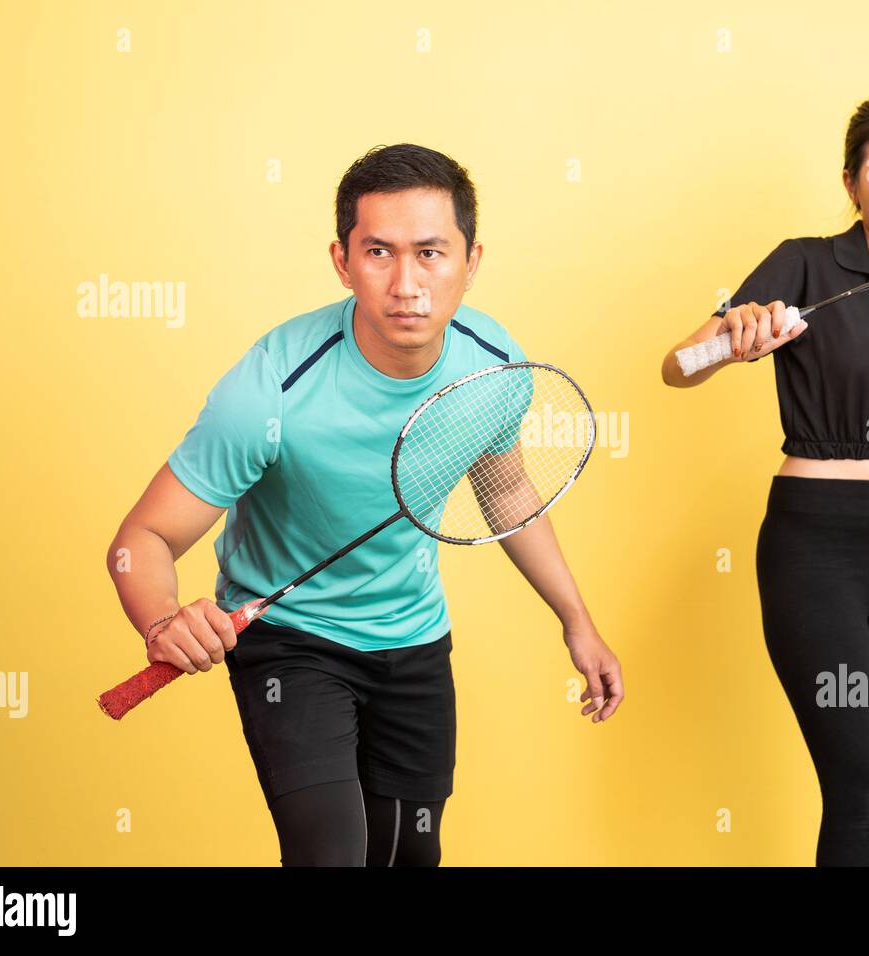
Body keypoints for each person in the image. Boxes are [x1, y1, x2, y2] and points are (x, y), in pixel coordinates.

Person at [106, 143, 624, 866]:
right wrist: (162, 620)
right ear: (342, 261)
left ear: (471, 261)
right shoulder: (272, 388)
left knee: (409, 855)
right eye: (378, 252)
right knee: (332, 856)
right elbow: (144, 538)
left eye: (431, 254)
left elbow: (503, 490)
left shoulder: (496, 365)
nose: (406, 283)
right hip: (290, 638)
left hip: (412, 641)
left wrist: (578, 622)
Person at [661, 91, 869, 865]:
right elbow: (677, 367)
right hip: (816, 548)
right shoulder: (805, 262)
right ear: (852, 182)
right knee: (863, 790)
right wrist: (731, 341)